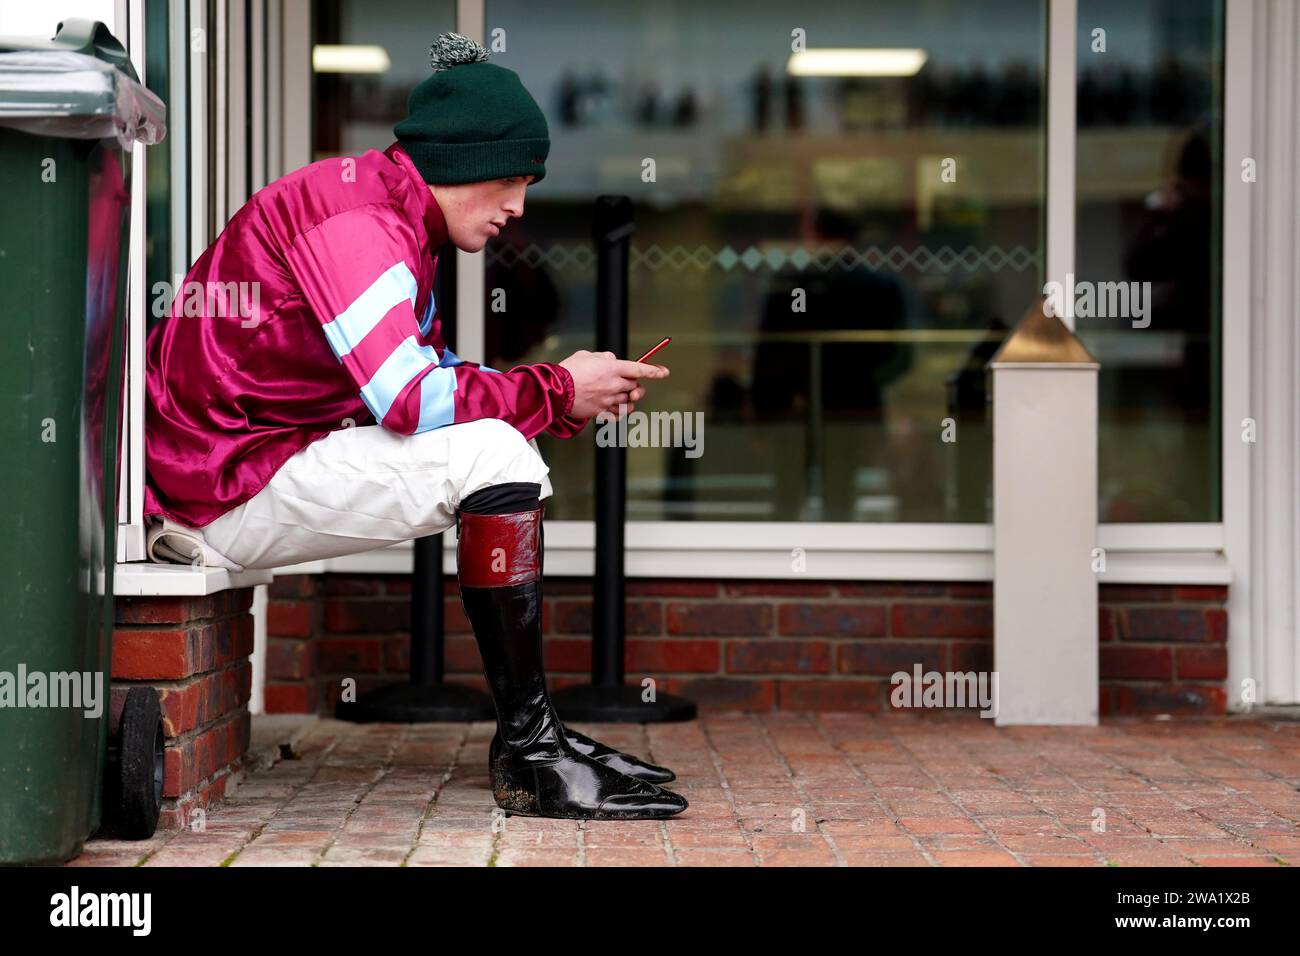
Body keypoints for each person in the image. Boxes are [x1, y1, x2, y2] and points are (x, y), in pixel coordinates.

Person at [141, 32, 687, 821]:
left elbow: (414, 387)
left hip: (239, 463)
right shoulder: (356, 221)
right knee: (497, 452)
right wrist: (556, 386)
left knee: (501, 448)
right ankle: (531, 750)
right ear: (454, 163)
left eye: (526, 183)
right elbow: (407, 399)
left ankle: (537, 739)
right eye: (507, 180)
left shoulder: (381, 209)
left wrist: (561, 399)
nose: (518, 207)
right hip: (218, 489)